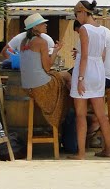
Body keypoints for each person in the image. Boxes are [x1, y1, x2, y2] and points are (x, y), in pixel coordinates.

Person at [69, 0, 110, 159]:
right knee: (101, 115)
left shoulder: (84, 29)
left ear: (82, 11)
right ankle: (108, 149)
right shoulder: (102, 30)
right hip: (98, 71)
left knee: (80, 115)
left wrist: (80, 78)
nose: (77, 17)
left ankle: (81, 153)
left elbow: (85, 56)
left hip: (86, 71)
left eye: (76, 14)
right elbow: (102, 55)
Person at [19, 15, 74, 151]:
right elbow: (48, 67)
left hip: (27, 84)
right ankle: (67, 115)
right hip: (40, 84)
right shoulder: (40, 42)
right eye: (43, 24)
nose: (46, 25)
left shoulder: (23, 42)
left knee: (61, 77)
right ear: (36, 28)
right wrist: (55, 51)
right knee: (65, 80)